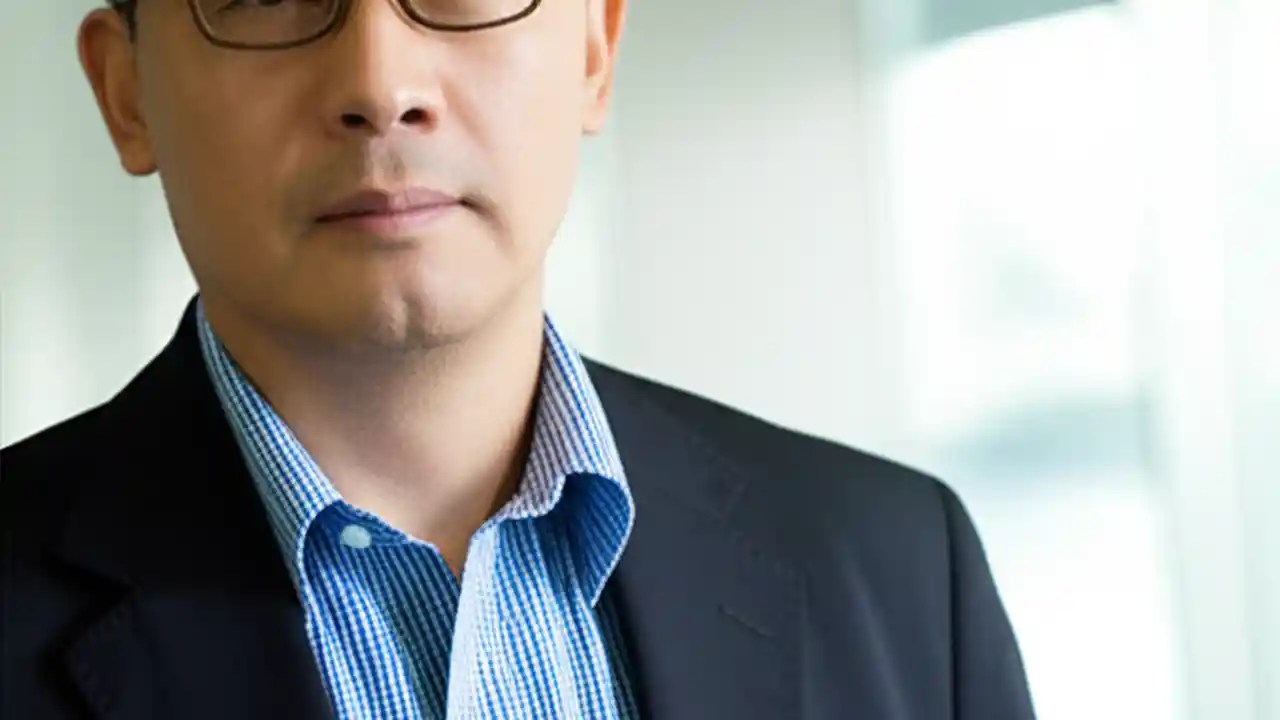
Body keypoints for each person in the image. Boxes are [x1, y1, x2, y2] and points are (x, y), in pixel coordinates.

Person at [0, 0, 1036, 717]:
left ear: (595, 44)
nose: (380, 82)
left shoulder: (897, 571)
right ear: (125, 90)